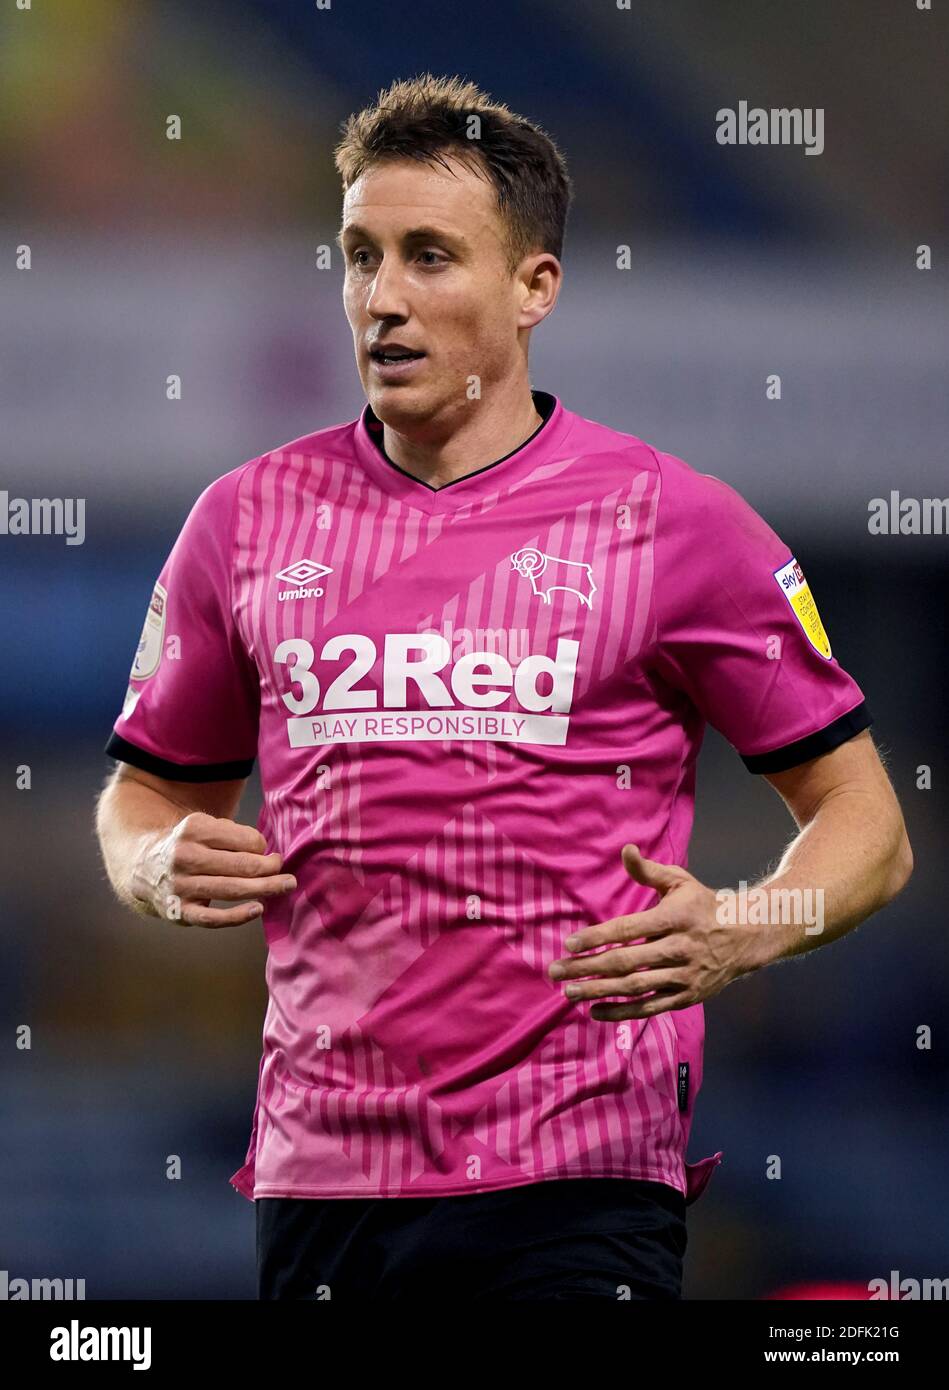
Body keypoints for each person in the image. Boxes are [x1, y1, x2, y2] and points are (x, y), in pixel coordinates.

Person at [95, 74, 913, 1301]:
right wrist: (152, 864)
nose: (381, 299)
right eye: (358, 256)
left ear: (536, 286)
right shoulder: (243, 521)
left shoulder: (673, 522)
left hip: (577, 1173)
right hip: (323, 1179)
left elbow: (869, 827)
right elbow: (143, 796)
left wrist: (747, 926)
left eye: (430, 257)